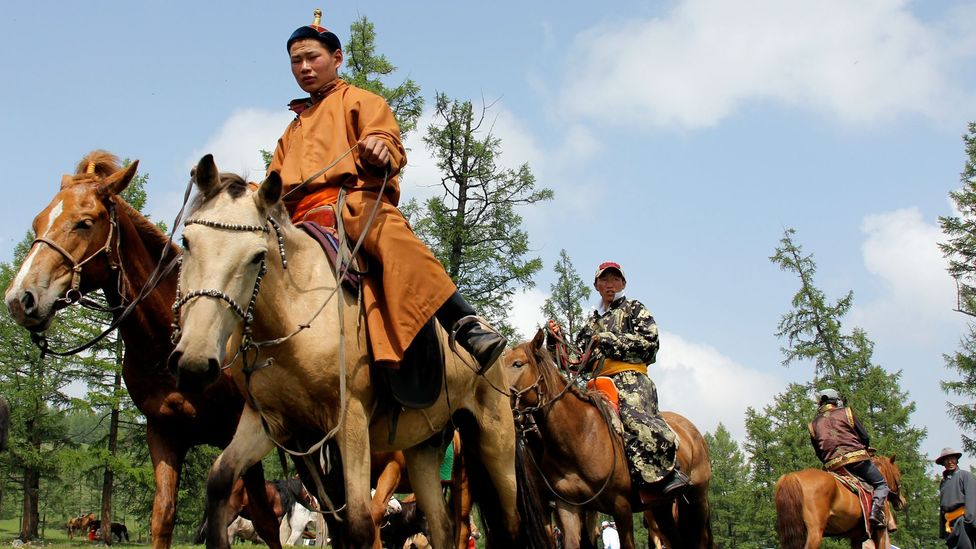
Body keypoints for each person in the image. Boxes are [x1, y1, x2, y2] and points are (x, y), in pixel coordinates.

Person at [268, 9, 506, 372]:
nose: (304, 67)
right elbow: (270, 185)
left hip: (351, 204)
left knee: (393, 238)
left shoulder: (362, 100)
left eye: (312, 57)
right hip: (296, 220)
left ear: (336, 58)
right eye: (296, 61)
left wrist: (379, 147)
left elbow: (385, 138)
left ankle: (465, 323)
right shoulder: (292, 129)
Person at [569, 261, 688, 497]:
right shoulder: (590, 321)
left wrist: (608, 339)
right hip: (596, 384)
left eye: (615, 279)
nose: (609, 284)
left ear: (623, 283)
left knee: (636, 420)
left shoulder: (635, 309)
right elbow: (576, 362)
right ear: (596, 285)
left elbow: (650, 344)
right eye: (604, 280)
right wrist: (554, 342)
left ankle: (664, 474)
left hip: (631, 379)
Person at [808, 388, 889, 527]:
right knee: (881, 484)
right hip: (857, 461)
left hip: (834, 466)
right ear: (835, 400)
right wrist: (864, 448)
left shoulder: (813, 425)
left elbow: (818, 452)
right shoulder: (847, 412)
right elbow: (864, 436)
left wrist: (829, 461)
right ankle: (875, 512)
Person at [938, 447, 976, 548]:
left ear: (956, 460)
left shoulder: (965, 476)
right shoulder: (943, 482)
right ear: (943, 463)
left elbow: (972, 500)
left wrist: (969, 521)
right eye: (947, 459)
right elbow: (942, 508)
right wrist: (942, 531)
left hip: (963, 522)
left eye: (953, 458)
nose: (950, 462)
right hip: (950, 526)